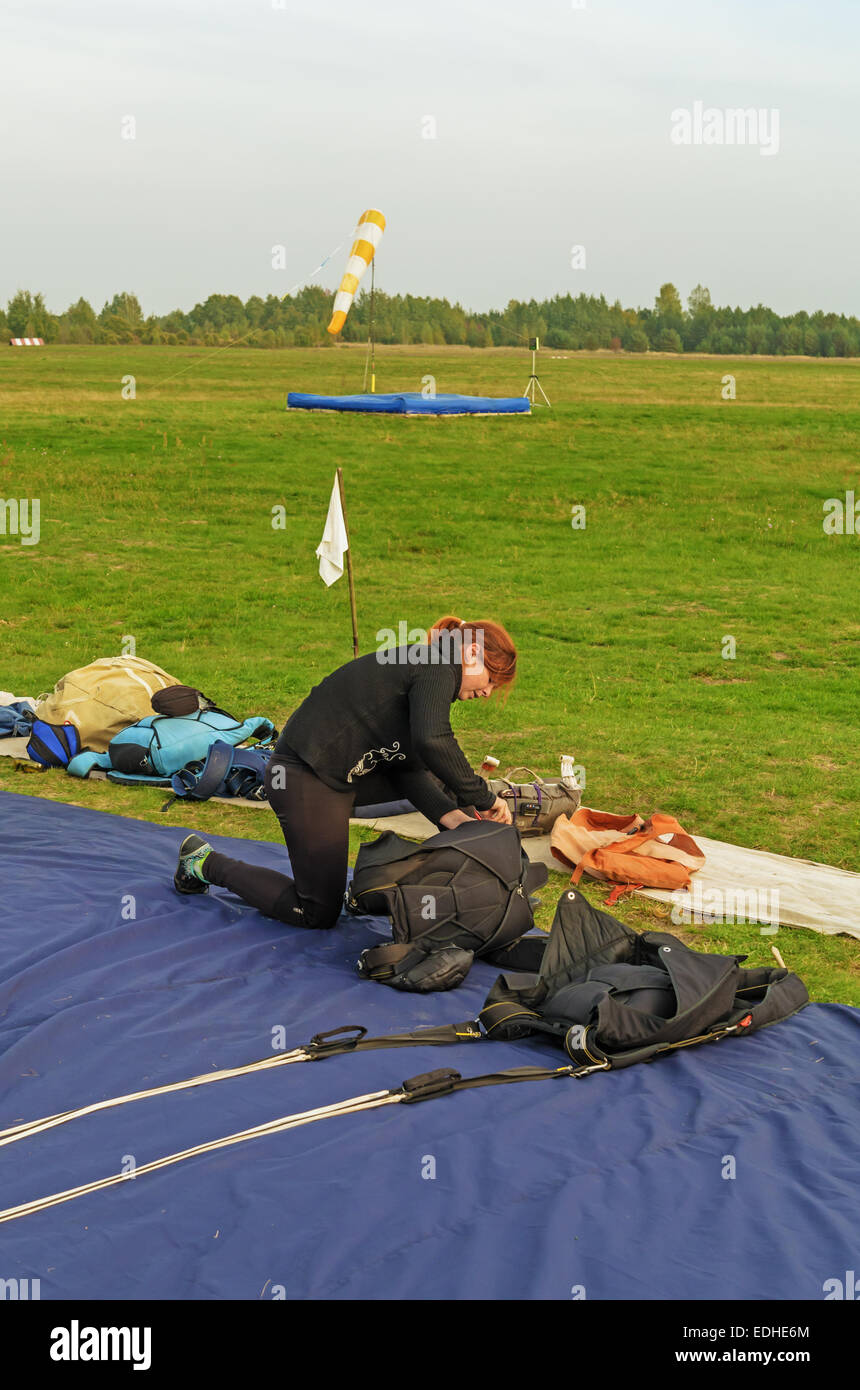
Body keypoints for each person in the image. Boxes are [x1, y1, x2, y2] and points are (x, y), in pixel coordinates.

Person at [173, 615, 515, 929]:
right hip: (303, 777)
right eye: (490, 679)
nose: (487, 692)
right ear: (471, 652)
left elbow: (407, 767)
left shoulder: (428, 666)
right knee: (316, 912)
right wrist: (484, 798)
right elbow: (433, 740)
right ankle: (203, 862)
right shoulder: (436, 663)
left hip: (340, 777)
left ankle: (463, 875)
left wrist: (451, 817)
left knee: (443, 777)